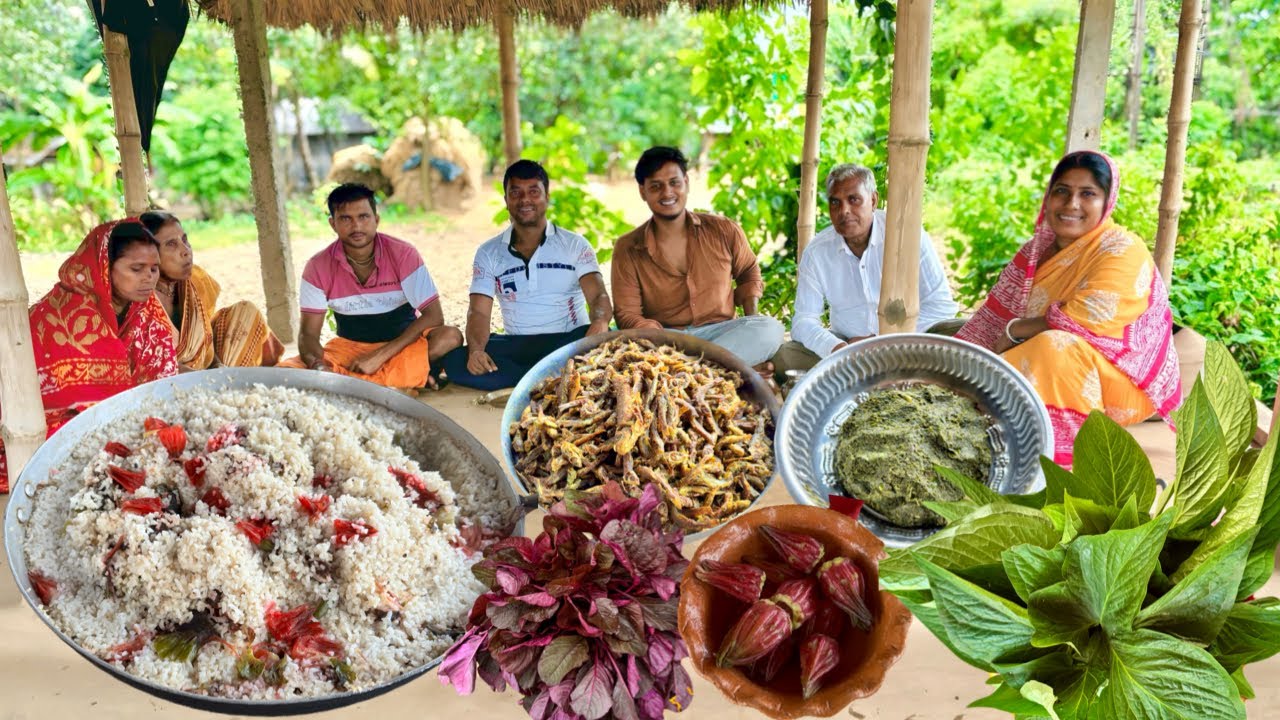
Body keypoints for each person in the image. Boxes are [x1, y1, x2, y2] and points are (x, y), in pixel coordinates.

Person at [956, 150, 1181, 466]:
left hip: (1120, 377)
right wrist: (957, 363)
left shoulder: (1121, 248)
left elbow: (1087, 318)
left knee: (1055, 347)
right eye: (1062, 191)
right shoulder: (1034, 253)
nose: (1071, 204)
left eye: (1087, 194)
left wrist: (1015, 331)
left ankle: (1061, 461)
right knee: (956, 358)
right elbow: (992, 321)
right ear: (1048, 197)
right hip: (1039, 360)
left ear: (1107, 202)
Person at [0, 219, 178, 492]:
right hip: (48, 426)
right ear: (104, 267)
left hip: (118, 424)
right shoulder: (60, 315)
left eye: (154, 268)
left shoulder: (146, 318)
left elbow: (164, 389)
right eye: (136, 269)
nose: (149, 278)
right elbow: (70, 409)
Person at [441, 160, 613, 391]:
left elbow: (598, 296)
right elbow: (479, 312)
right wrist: (476, 351)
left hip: (567, 341)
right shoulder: (489, 252)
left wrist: (600, 323)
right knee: (456, 361)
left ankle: (531, 379)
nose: (525, 200)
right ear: (506, 200)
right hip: (518, 345)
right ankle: (553, 377)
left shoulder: (574, 244)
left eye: (533, 192)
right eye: (516, 193)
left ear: (547, 197)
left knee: (608, 339)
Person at [774, 163, 959, 378]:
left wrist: (880, 341)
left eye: (853, 199)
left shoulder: (906, 235)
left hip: (908, 341)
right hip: (848, 350)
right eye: (835, 202)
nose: (844, 211)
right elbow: (804, 320)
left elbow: (941, 306)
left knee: (965, 334)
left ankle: (862, 375)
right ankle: (856, 372)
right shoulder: (817, 252)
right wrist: (837, 348)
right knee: (785, 357)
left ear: (873, 200)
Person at [610, 146, 784, 370]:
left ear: (686, 182)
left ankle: (687, 371)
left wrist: (752, 320)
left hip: (722, 333)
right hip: (667, 340)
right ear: (642, 192)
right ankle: (711, 369)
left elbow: (748, 273)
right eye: (656, 186)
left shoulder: (723, 230)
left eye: (674, 183)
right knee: (631, 347)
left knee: (769, 329)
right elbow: (627, 314)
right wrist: (658, 341)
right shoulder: (628, 248)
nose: (667, 193)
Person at [279, 183, 462, 388]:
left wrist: (379, 356)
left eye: (363, 217)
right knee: (286, 371)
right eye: (346, 219)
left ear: (376, 220)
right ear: (333, 224)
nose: (356, 226)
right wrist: (319, 367)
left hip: (402, 345)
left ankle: (350, 382)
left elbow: (434, 316)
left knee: (449, 337)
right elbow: (308, 335)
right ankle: (409, 376)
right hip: (350, 350)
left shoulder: (403, 254)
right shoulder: (317, 267)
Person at [140, 211, 283, 369]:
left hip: (201, 370)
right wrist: (200, 376)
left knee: (246, 312)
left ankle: (230, 377)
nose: (186, 250)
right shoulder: (137, 299)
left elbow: (205, 341)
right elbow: (145, 366)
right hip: (163, 376)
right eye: (171, 244)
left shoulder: (194, 282)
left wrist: (217, 365)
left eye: (185, 240)